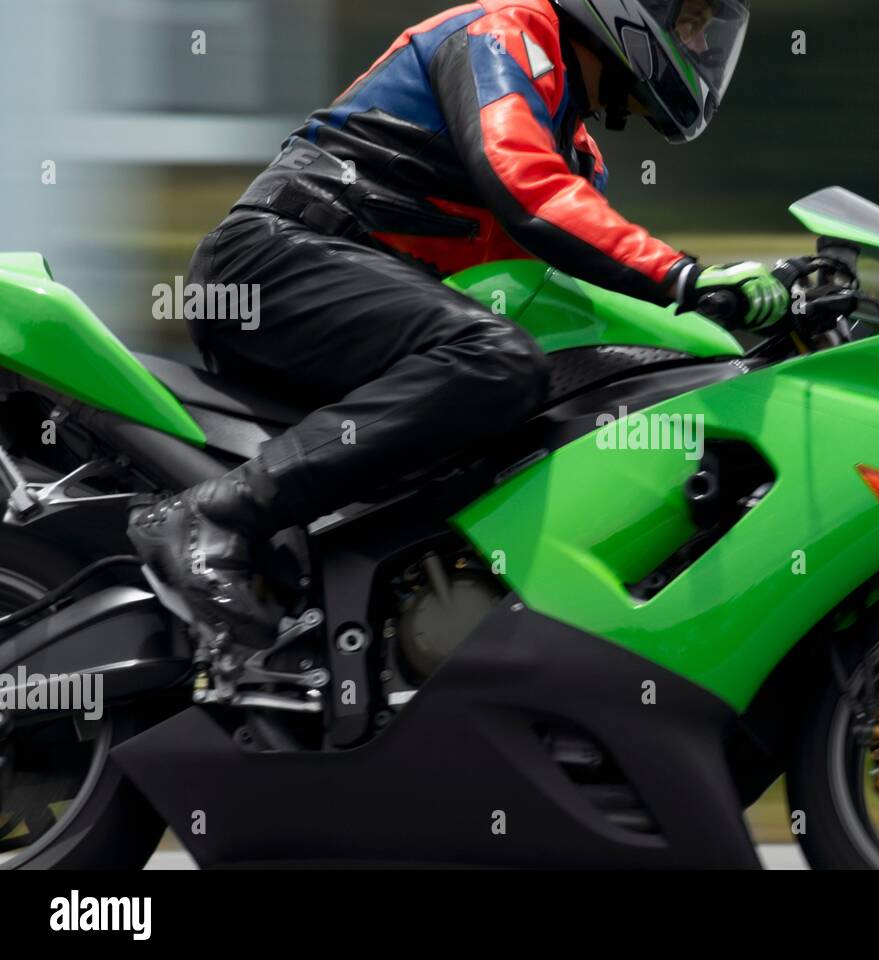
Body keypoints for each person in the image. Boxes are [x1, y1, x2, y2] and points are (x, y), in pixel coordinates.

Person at [129, 0, 788, 646]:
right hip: (275, 260)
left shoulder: (580, 153)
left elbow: (575, 288)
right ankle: (213, 514)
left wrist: (742, 332)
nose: (701, 47)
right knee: (496, 360)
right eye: (693, 21)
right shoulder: (507, 34)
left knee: (532, 404)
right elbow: (528, 189)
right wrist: (686, 277)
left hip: (365, 304)